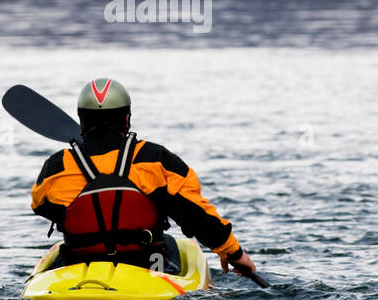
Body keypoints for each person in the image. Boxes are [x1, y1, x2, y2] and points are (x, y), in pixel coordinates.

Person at [31, 78, 257, 276]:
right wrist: (234, 253)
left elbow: (41, 206)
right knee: (170, 243)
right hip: (148, 265)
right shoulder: (156, 159)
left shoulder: (57, 166)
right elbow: (196, 214)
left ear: (81, 120)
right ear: (127, 119)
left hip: (80, 264)